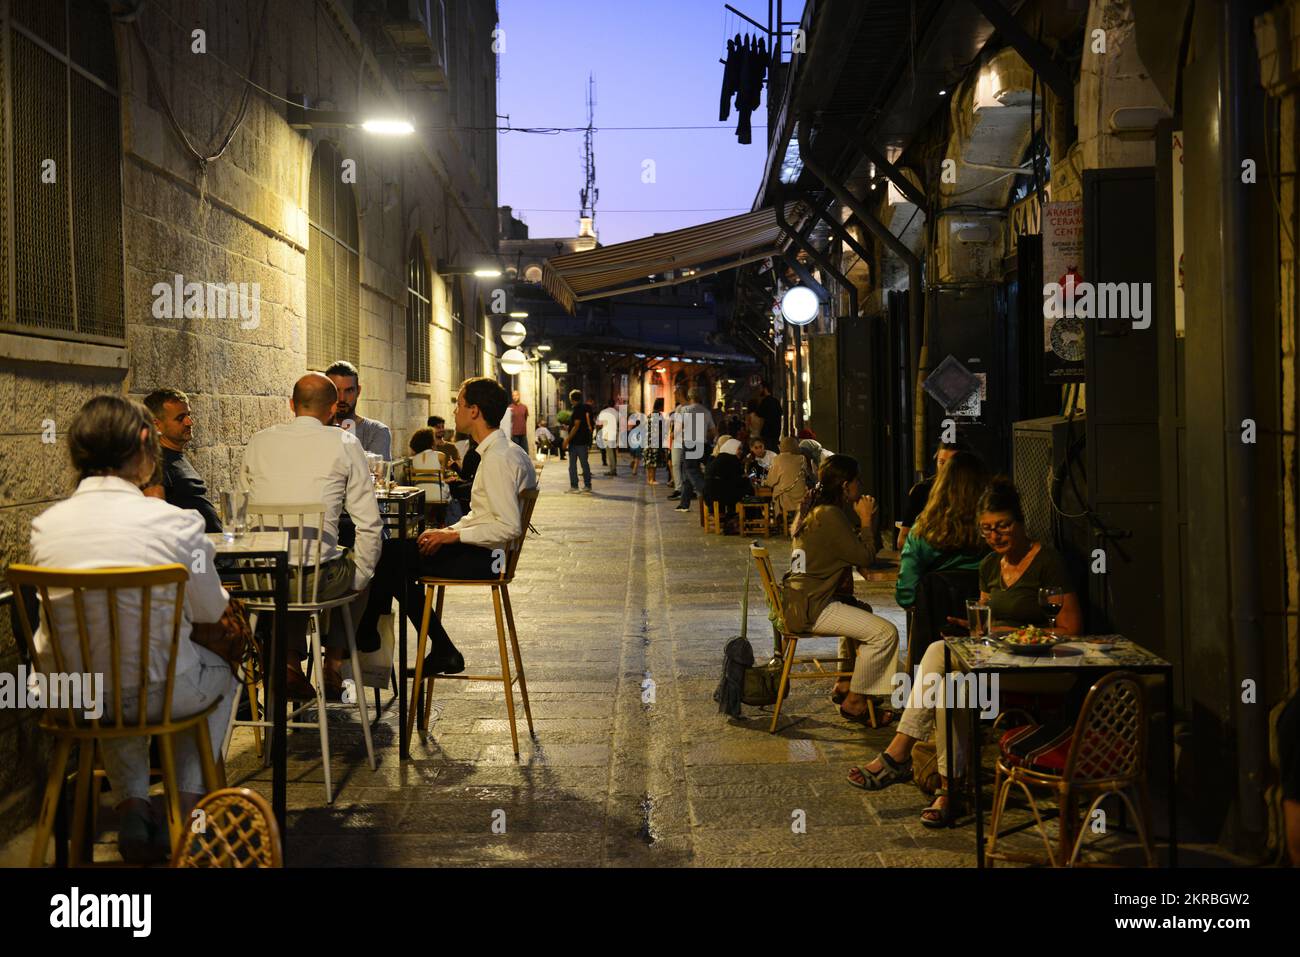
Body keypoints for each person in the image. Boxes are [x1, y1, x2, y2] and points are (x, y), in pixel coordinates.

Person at [30, 395, 236, 864]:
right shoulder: (178, 524)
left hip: (73, 698)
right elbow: (210, 612)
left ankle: (133, 807)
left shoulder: (46, 527)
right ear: (146, 443)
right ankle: (184, 812)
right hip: (157, 692)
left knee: (114, 673)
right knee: (218, 668)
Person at [847, 479, 1082, 828]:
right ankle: (949, 788)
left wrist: (1011, 632)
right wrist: (976, 630)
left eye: (1003, 526)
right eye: (987, 529)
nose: (996, 536)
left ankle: (901, 756)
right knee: (947, 676)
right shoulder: (989, 566)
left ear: (1019, 522)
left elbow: (1071, 630)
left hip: (1043, 668)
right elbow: (986, 621)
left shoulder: (1047, 562)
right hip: (997, 662)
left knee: (943, 664)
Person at [357, 377, 537, 674]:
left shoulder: (498, 459)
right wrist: (448, 531)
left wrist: (454, 537)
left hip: (491, 560)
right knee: (396, 556)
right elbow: (482, 515)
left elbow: (508, 527)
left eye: (459, 404)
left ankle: (369, 631)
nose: (455, 411)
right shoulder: (500, 453)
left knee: (390, 554)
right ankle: (435, 647)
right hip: (489, 554)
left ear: (475, 411)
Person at [241, 373, 383, 701]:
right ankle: (333, 664)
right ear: (334, 408)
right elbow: (370, 526)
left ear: (291, 405)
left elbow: (244, 511)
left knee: (293, 564)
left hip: (263, 579)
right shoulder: (346, 442)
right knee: (343, 566)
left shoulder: (259, 441)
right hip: (315, 581)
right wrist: (361, 576)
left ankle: (289, 663)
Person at [782, 455, 899, 724]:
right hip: (813, 605)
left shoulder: (814, 507)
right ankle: (856, 702)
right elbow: (865, 558)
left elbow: (845, 550)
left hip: (799, 600)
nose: (861, 484)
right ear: (846, 485)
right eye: (857, 480)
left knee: (861, 610)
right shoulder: (830, 515)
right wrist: (867, 520)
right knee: (885, 634)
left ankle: (845, 684)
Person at [893, 451, 989, 609]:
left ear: (940, 485)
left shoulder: (923, 530)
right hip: (986, 622)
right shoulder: (995, 531)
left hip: (935, 624)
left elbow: (906, 596)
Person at [141, 388, 223, 534]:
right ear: (156, 425)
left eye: (189, 415)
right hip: (192, 552)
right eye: (180, 418)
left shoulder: (176, 456)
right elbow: (155, 517)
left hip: (212, 549)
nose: (189, 422)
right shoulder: (154, 461)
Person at [897, 442, 961, 550]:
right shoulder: (922, 491)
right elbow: (902, 540)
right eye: (942, 462)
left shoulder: (974, 491)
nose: (946, 469)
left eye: (952, 464)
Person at [325, 360, 391, 458]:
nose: (342, 398)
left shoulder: (376, 431)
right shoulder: (316, 429)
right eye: (336, 390)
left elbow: (374, 470)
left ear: (358, 391)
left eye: (349, 390)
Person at [674, 388, 716, 512]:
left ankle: (708, 494)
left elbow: (677, 429)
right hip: (703, 445)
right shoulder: (706, 411)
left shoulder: (684, 410)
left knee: (691, 470)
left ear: (689, 396)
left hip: (690, 444)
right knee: (689, 474)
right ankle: (684, 504)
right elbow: (713, 431)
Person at [703, 438, 751, 529]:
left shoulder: (718, 458)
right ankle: (743, 518)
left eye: (741, 449)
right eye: (738, 449)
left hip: (709, 493)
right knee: (748, 491)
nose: (740, 451)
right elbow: (737, 479)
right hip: (720, 494)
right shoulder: (732, 459)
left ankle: (731, 518)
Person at [762, 436, 807, 521]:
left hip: (786, 496)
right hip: (801, 495)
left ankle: (779, 521)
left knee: (777, 489)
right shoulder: (802, 458)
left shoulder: (778, 459)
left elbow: (771, 481)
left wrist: (765, 482)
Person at [564, 388, 595, 493]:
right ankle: (587, 485)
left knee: (573, 465)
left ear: (572, 399)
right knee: (584, 464)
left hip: (576, 442)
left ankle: (574, 486)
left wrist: (567, 439)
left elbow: (576, 426)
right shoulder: (583, 408)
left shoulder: (577, 409)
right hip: (582, 441)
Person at [667, 387, 688, 496]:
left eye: (675, 395)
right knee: (675, 463)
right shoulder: (678, 408)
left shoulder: (689, 408)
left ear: (680, 394)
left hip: (686, 439)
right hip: (677, 439)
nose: (674, 397)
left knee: (686, 465)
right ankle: (678, 488)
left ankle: (687, 489)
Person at [643, 397, 666, 485]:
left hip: (648, 440)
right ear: (660, 405)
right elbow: (659, 430)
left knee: (649, 460)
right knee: (653, 460)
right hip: (654, 441)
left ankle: (649, 479)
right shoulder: (658, 415)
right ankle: (652, 479)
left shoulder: (650, 415)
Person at [755, 379, 783, 450]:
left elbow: (760, 417)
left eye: (760, 388)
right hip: (776, 432)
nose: (759, 390)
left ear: (765, 389)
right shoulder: (776, 401)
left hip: (766, 433)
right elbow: (780, 415)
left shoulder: (764, 402)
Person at [596, 397, 620, 474]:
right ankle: (614, 468)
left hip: (606, 433)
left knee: (609, 452)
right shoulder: (617, 412)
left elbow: (599, 424)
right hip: (614, 433)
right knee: (613, 451)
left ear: (608, 404)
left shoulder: (603, 411)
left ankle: (612, 470)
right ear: (614, 404)